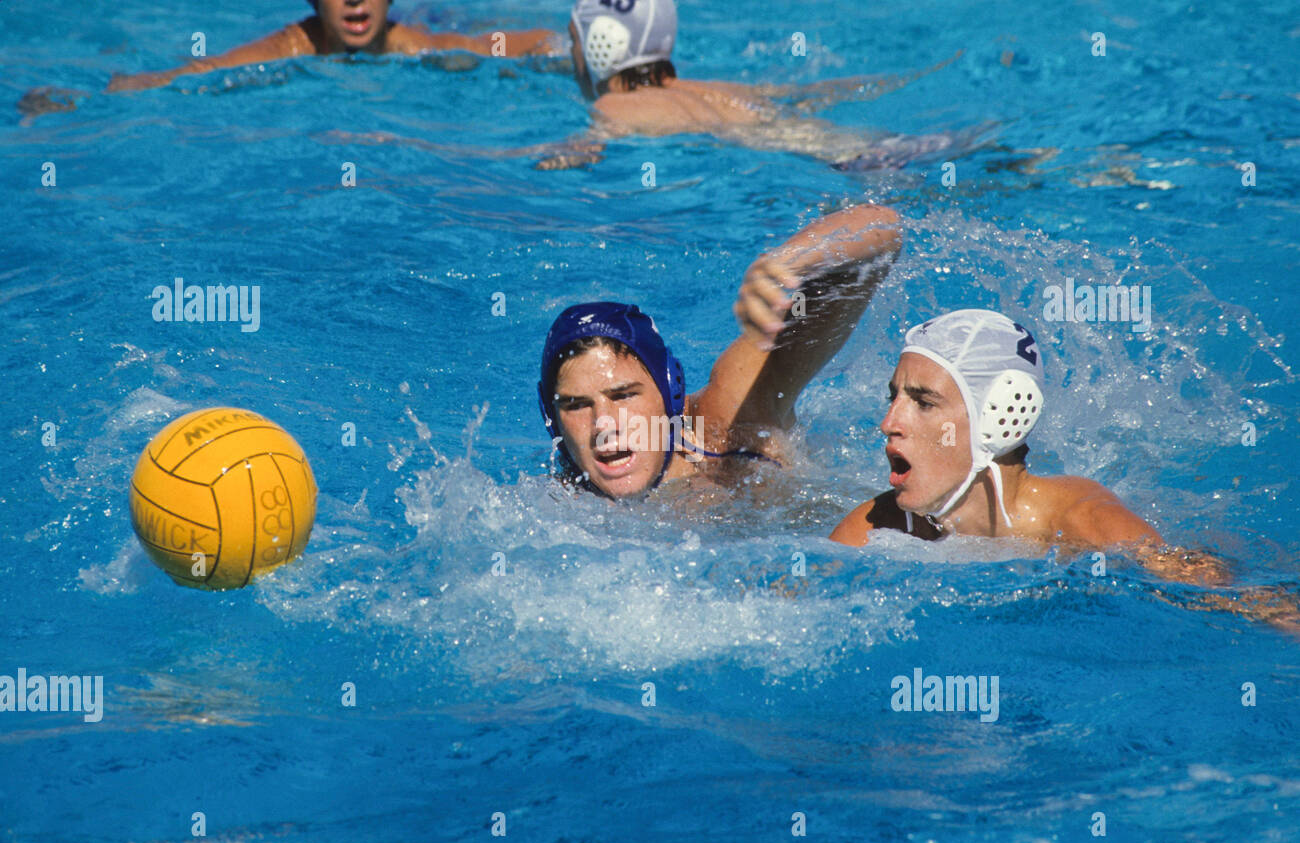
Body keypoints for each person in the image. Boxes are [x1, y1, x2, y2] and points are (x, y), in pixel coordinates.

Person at [827, 309, 1300, 628]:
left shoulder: (1077, 521)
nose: (889, 423)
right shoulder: (879, 524)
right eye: (894, 397)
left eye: (923, 402)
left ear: (1000, 416)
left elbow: (1230, 593)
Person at [537, 203, 902, 499]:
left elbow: (883, 229)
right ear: (551, 415)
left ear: (671, 396)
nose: (604, 425)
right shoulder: (557, 505)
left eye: (624, 395)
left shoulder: (732, 418)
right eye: (576, 404)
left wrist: (789, 262)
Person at [536, 0, 970, 171]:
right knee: (978, 163)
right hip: (868, 144)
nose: (568, 57)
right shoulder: (718, 89)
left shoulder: (615, 109)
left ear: (600, 45)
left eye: (573, 42)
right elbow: (820, 93)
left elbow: (583, 150)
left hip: (848, 169)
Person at [19, 0, 560, 114]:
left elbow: (536, 41)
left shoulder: (413, 44)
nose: (354, 0)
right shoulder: (287, 50)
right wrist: (86, 98)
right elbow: (194, 73)